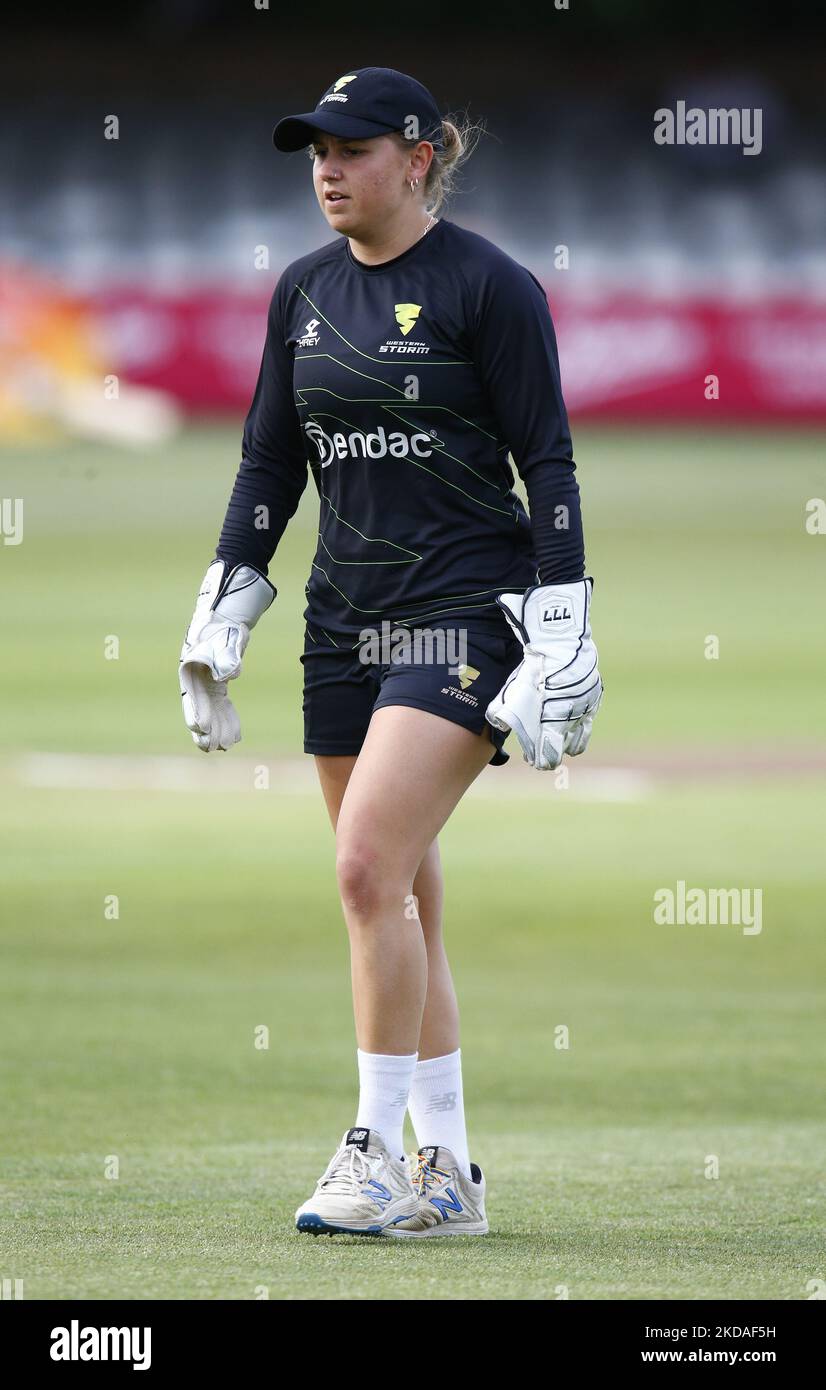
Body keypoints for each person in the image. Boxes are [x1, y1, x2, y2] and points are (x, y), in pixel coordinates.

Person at [179, 67, 603, 1239]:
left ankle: (369, 1151)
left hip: (462, 616)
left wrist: (562, 611)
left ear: (419, 157)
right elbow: (270, 463)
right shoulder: (302, 291)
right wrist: (225, 603)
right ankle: (450, 1175)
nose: (327, 166)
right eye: (316, 148)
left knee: (365, 867)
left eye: (354, 148)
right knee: (399, 893)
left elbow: (549, 461)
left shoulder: (490, 286)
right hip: (340, 626)